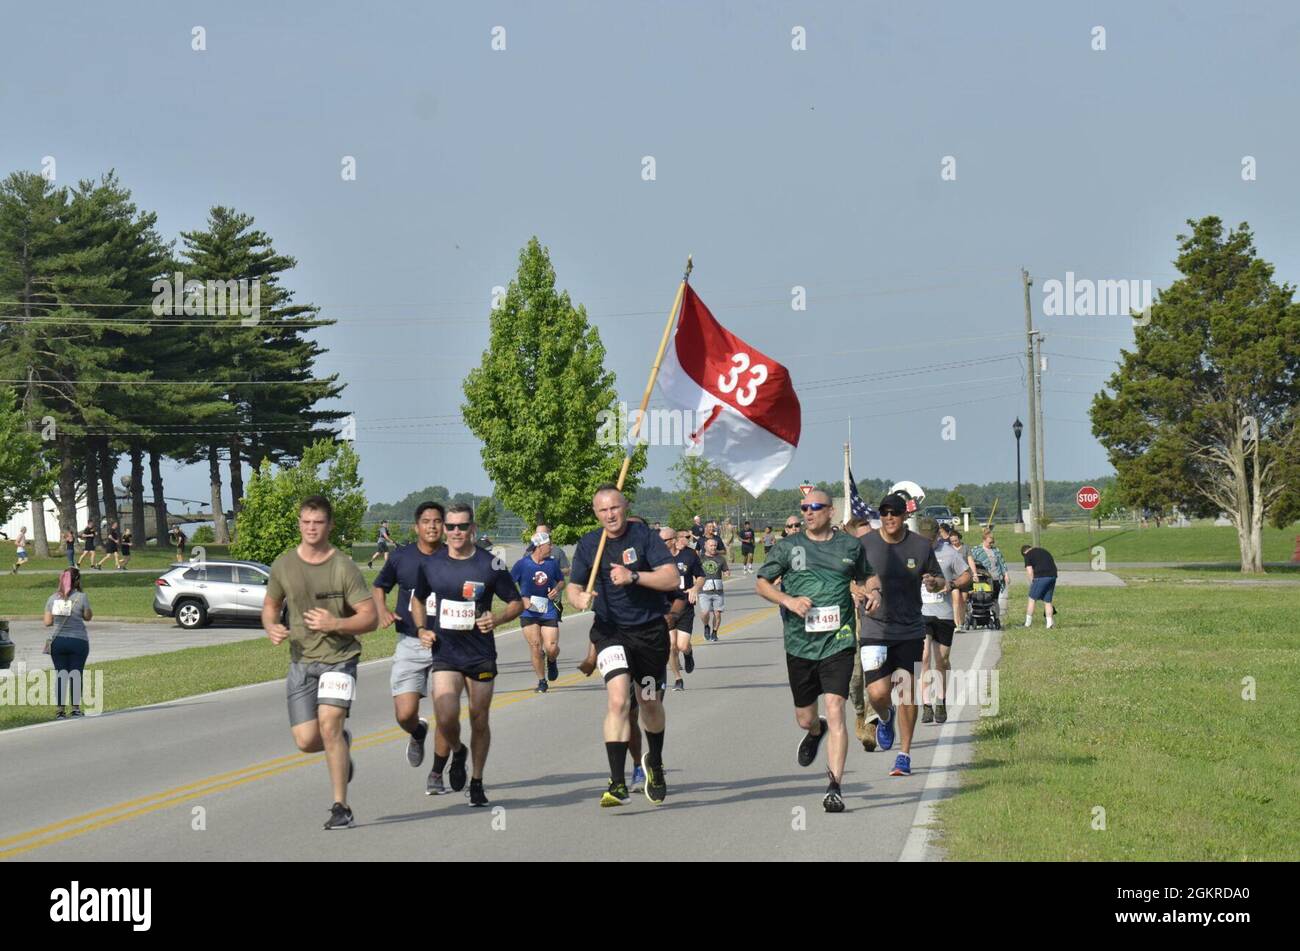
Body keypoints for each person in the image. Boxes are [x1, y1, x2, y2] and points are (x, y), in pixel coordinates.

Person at [262, 495, 378, 830]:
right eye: (306, 521)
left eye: (318, 522)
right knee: (306, 741)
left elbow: (369, 617)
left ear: (330, 525)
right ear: (299, 523)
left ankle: (341, 807)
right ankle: (342, 745)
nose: (311, 528)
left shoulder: (343, 566)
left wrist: (336, 624)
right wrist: (271, 626)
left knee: (329, 726)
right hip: (301, 661)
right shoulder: (283, 565)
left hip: (340, 659)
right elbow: (270, 606)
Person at [756, 490, 872, 813]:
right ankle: (815, 729)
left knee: (837, 707)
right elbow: (762, 583)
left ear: (830, 512)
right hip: (800, 644)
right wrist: (789, 601)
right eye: (804, 507)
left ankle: (834, 786)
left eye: (815, 507)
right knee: (805, 718)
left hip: (840, 640)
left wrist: (871, 592)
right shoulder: (789, 547)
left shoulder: (850, 546)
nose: (808, 512)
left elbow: (868, 576)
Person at [567, 486, 679, 807]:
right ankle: (616, 783)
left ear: (625, 507)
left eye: (615, 508)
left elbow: (671, 579)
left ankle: (654, 763)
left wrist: (633, 577)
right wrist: (579, 599)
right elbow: (574, 588)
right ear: (596, 514)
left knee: (648, 704)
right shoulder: (590, 544)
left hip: (648, 634)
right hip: (610, 632)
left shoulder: (644, 537)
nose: (610, 515)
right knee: (617, 701)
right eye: (603, 510)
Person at [411, 503, 523, 807]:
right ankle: (457, 751)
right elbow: (417, 599)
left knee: (479, 718)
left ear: (472, 528)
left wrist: (496, 619)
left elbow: (516, 602)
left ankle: (477, 780)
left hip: (480, 653)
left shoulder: (491, 564)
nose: (456, 532)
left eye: (462, 526)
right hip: (445, 651)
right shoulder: (431, 564)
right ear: (445, 530)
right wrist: (422, 628)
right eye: (451, 527)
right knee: (445, 715)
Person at [857, 493, 945, 778]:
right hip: (874, 628)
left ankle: (904, 755)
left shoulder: (920, 545)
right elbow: (849, 578)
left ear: (905, 515)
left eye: (894, 512)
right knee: (877, 692)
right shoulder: (865, 543)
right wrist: (860, 591)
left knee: (907, 692)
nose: (889, 517)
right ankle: (885, 716)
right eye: (884, 512)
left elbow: (939, 579)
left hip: (910, 630)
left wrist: (933, 582)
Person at [371, 501, 447, 794]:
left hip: (446, 644)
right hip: (409, 642)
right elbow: (380, 586)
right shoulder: (401, 558)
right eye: (426, 521)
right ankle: (417, 732)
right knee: (404, 714)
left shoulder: (453, 556)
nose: (432, 526)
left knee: (446, 711)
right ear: (417, 527)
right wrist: (382, 610)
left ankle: (438, 773)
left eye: (437, 521)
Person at [916, 517, 971, 725]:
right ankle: (926, 705)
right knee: (924, 656)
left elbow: (967, 574)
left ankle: (941, 701)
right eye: (924, 538)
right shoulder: (914, 553)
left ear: (938, 535)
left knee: (942, 660)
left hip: (944, 613)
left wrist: (953, 583)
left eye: (930, 538)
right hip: (921, 612)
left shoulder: (949, 553)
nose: (927, 541)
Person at [511, 531, 565, 693]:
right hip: (529, 611)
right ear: (539, 547)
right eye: (549, 544)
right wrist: (521, 599)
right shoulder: (522, 564)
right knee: (535, 646)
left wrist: (556, 589)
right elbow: (506, 584)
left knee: (551, 647)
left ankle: (552, 659)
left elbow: (562, 581)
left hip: (547, 609)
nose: (551, 547)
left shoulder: (552, 563)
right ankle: (542, 681)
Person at [843, 517, 879, 752]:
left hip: (878, 627)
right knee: (855, 679)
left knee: (875, 678)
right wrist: (852, 589)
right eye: (863, 537)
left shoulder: (882, 556)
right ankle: (859, 712)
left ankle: (872, 723)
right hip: (851, 628)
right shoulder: (843, 559)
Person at [43, 568, 93, 719]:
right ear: (77, 581)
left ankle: (60, 711)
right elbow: (88, 617)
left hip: (58, 642)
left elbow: (47, 622)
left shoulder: (52, 598)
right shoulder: (81, 597)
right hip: (78, 641)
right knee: (76, 674)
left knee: (61, 674)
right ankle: (76, 709)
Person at [664, 527, 703, 691]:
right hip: (666, 608)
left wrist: (695, 588)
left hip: (685, 605)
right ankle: (678, 679)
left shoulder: (689, 555)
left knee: (682, 645)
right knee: (671, 645)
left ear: (673, 540)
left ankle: (688, 654)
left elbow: (701, 576)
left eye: (664, 540)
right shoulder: (657, 558)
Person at [968, 530, 1010, 617]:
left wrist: (1006, 574)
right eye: (989, 542)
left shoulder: (996, 550)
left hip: (996, 578)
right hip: (983, 579)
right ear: (984, 540)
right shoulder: (976, 550)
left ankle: (996, 617)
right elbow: (971, 562)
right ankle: (980, 615)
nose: (991, 544)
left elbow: (1002, 563)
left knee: (995, 599)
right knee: (982, 598)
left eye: (992, 542)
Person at [697, 536, 729, 642]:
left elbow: (726, 570)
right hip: (704, 590)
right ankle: (706, 626)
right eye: (711, 545)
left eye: (715, 545)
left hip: (718, 590)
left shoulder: (720, 558)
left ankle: (715, 632)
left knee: (717, 613)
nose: (713, 547)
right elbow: (694, 571)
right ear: (705, 546)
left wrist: (727, 572)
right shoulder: (700, 558)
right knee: (705, 612)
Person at [1021, 543, 1058, 628]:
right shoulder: (1044, 551)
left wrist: (1033, 583)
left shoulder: (1028, 555)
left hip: (1041, 577)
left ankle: (1027, 624)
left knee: (1032, 599)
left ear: (1024, 553)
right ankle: (1049, 624)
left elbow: (1030, 572)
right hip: (1053, 576)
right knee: (1047, 601)